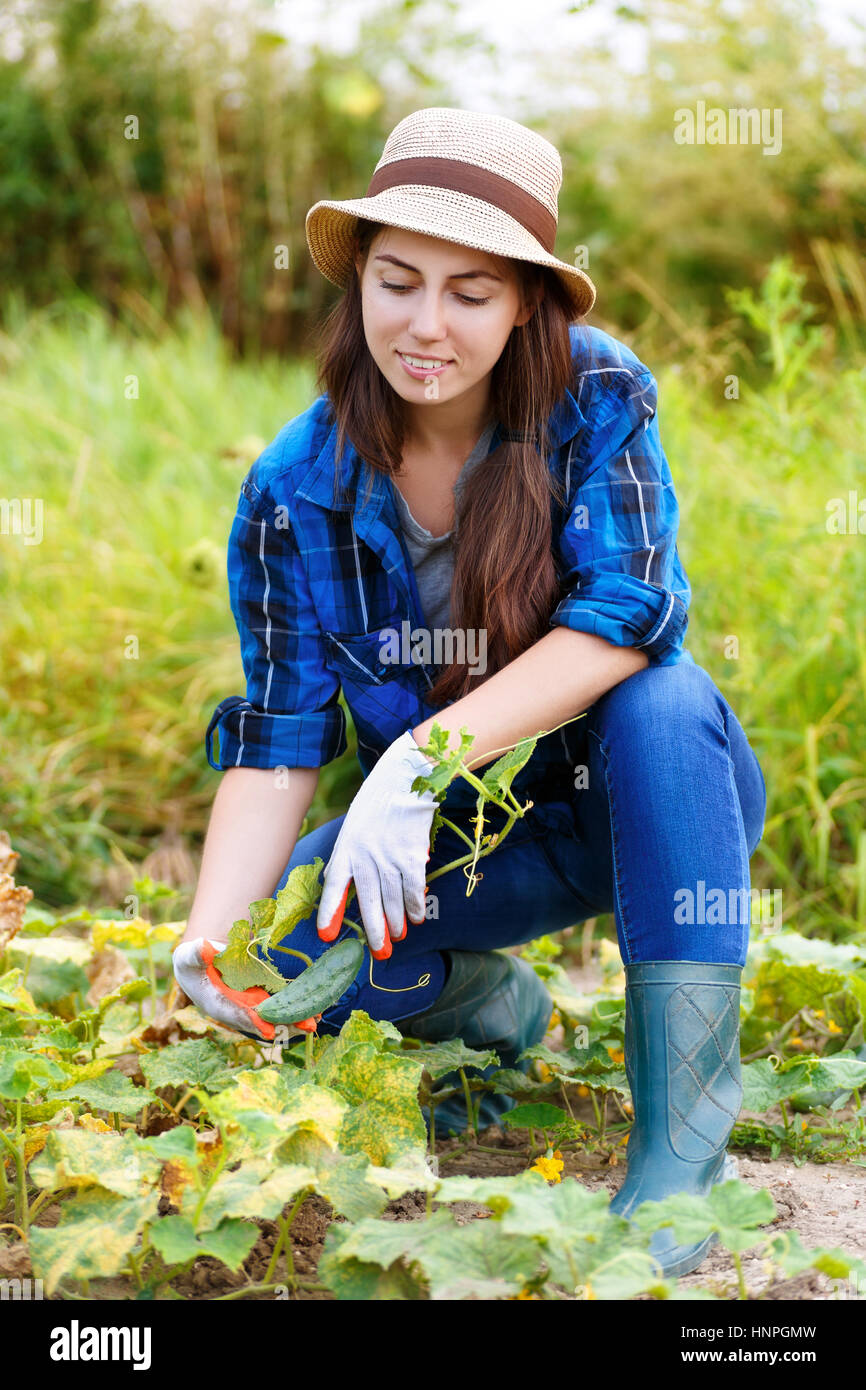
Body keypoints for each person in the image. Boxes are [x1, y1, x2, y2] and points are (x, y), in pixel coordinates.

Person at [172, 107, 767, 1278]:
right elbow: (280, 732)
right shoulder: (296, 486)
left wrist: (418, 756)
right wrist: (214, 933)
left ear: (525, 306)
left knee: (659, 696)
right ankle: (496, 1015)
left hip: (649, 804)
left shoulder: (596, 398)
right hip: (455, 844)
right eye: (397, 282)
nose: (425, 326)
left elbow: (629, 612)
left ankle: (677, 1159)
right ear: (357, 286)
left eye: (471, 293)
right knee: (287, 958)